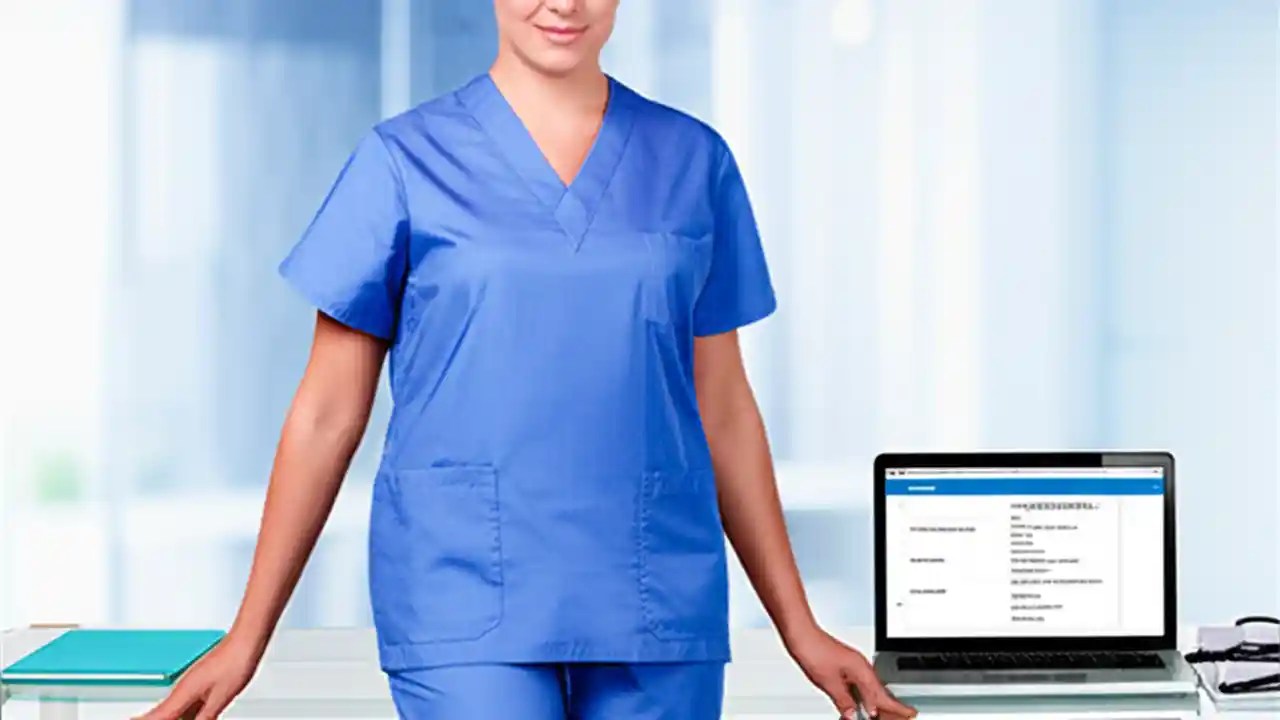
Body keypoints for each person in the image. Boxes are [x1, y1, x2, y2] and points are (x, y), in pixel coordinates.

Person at [139, 1, 915, 718]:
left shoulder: (693, 161)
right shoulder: (402, 162)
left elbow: (724, 410)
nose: (564, 2)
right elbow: (326, 414)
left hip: (654, 600)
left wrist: (799, 626)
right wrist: (247, 639)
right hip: (464, 596)